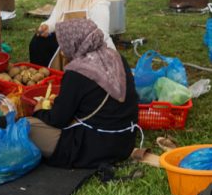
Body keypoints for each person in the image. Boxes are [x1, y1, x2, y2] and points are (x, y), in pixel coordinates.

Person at [25, 19, 138, 169]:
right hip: (124, 144)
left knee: (25, 125)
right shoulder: (117, 58)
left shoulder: (77, 72)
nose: (62, 50)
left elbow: (58, 120)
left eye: (62, 43)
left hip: (91, 149)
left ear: (74, 42)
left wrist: (39, 111)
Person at [29, 0, 114, 67]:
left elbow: (101, 35)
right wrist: (47, 27)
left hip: (92, 48)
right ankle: (43, 74)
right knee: (37, 42)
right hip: (67, 45)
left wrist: (81, 44)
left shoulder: (97, 3)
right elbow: (54, 20)